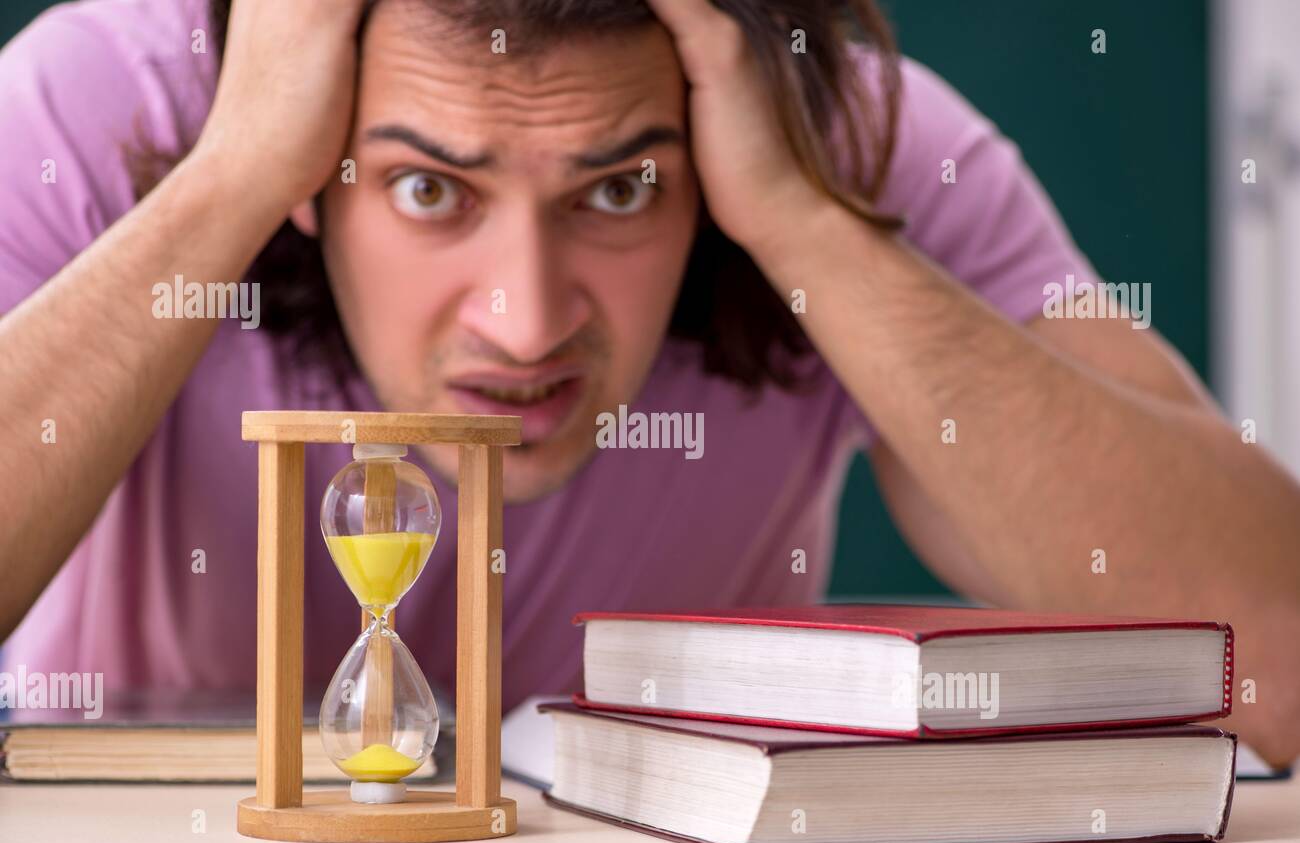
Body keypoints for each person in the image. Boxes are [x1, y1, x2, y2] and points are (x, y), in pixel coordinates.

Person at [1, 0, 1297, 766]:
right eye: (427, 187)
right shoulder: (111, 109)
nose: (526, 321)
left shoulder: (842, 144)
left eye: (619, 188)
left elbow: (1276, 658)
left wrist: (797, 219)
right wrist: (228, 177)